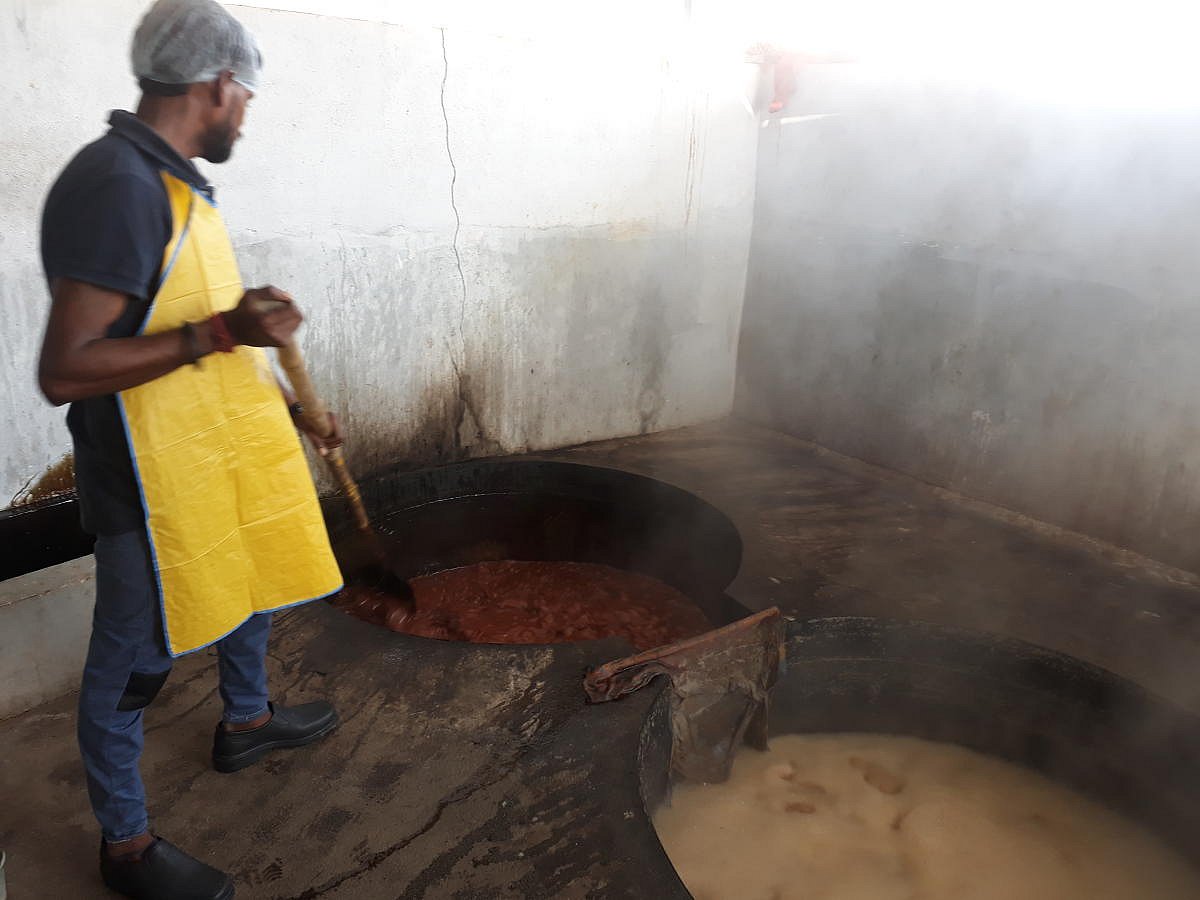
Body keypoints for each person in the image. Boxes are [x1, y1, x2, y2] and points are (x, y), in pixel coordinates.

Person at [37, 2, 345, 897]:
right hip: (146, 486)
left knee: (248, 582)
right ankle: (125, 847)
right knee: (131, 667)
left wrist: (288, 404)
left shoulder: (174, 185)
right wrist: (222, 327)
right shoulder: (121, 186)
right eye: (246, 95)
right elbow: (69, 367)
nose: (247, 113)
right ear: (218, 85)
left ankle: (246, 724)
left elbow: (186, 328)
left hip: (210, 458)